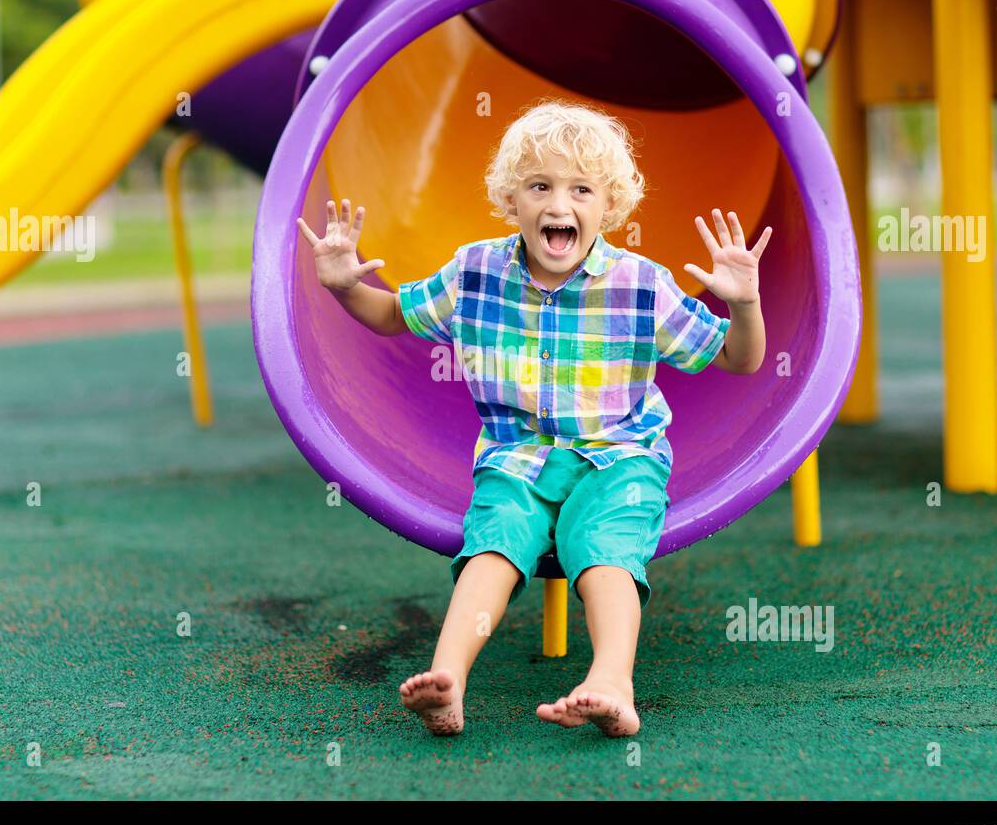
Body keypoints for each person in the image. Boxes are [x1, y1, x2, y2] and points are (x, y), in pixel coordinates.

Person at [296, 99, 769, 737]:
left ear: (610, 206)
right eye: (539, 186)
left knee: (604, 550)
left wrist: (744, 304)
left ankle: (611, 682)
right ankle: (448, 680)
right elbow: (391, 318)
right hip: (516, 456)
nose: (558, 205)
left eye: (581, 189)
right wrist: (343, 285)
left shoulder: (640, 284)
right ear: (510, 200)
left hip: (620, 455)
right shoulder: (475, 272)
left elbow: (740, 360)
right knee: (494, 544)